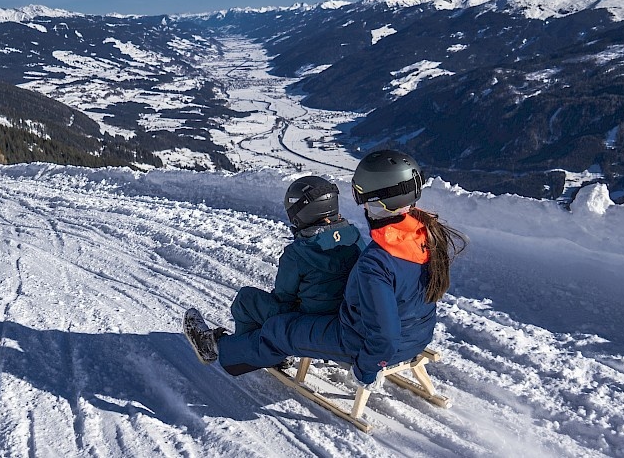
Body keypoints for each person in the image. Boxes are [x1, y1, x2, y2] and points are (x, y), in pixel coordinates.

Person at [186, 149, 467, 389]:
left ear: (375, 202)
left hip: (361, 342)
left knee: (279, 329)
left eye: (362, 198)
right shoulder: (426, 234)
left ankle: (219, 350)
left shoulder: (377, 262)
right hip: (417, 336)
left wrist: (368, 370)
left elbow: (385, 335)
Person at [229, 175, 364, 335]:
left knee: (246, 299)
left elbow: (283, 298)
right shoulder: (354, 237)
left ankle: (248, 348)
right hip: (350, 318)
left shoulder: (296, 253)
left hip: (309, 325)